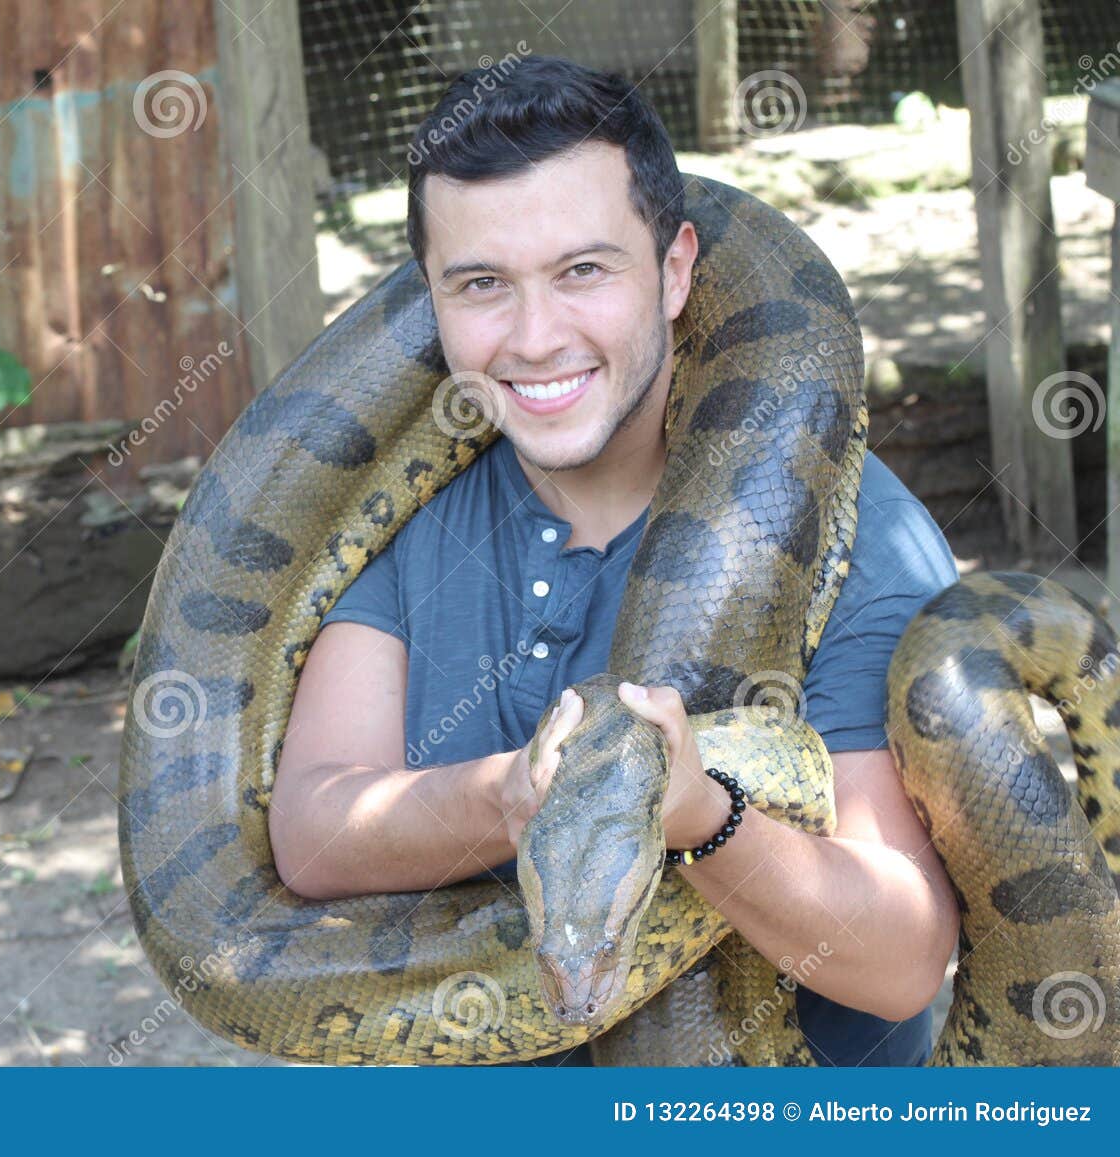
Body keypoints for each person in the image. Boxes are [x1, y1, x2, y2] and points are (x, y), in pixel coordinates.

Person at [267, 56, 960, 1066]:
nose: (536, 337)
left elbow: (902, 961)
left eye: (583, 271)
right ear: (431, 298)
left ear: (676, 270)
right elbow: (313, 833)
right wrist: (508, 794)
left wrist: (702, 815)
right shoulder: (409, 524)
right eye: (482, 284)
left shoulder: (850, 535)